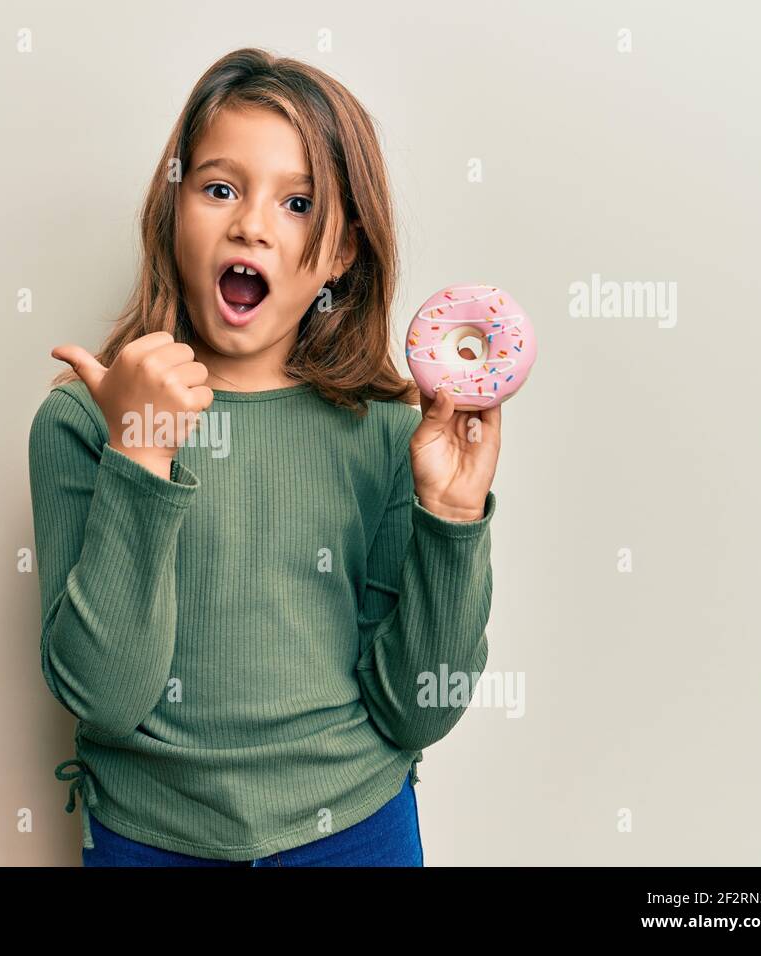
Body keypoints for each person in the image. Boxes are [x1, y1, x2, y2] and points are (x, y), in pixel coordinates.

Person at [28, 47, 500, 867]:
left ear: (343, 252)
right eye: (219, 188)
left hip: (356, 831)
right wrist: (139, 454)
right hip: (149, 838)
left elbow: (416, 712)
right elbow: (104, 699)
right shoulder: (83, 420)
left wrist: (452, 522)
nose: (250, 223)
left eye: (297, 203)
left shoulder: (388, 432)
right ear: (174, 211)